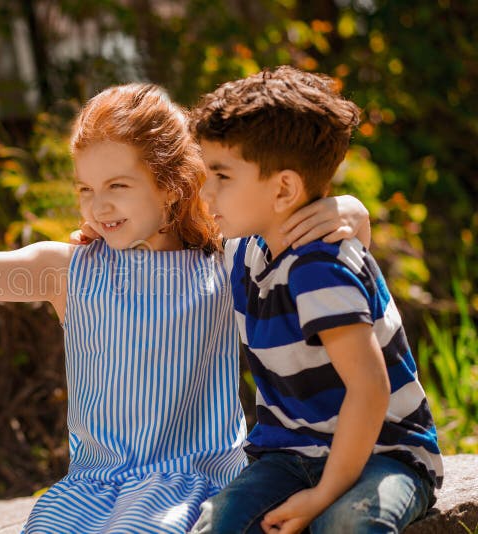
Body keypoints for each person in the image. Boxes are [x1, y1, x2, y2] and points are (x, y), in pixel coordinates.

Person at [0, 83, 366, 532]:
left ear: (169, 183)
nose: (98, 207)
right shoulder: (68, 270)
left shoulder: (225, 257)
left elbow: (333, 219)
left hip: (192, 481)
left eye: (117, 186)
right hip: (88, 488)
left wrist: (349, 204)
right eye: (85, 189)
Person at [187, 66, 443, 534]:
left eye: (221, 176)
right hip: (290, 454)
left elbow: (369, 391)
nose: (206, 192)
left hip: (385, 454)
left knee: (345, 523)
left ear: (284, 188)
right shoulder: (245, 252)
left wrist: (321, 496)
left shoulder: (320, 269)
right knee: (217, 523)